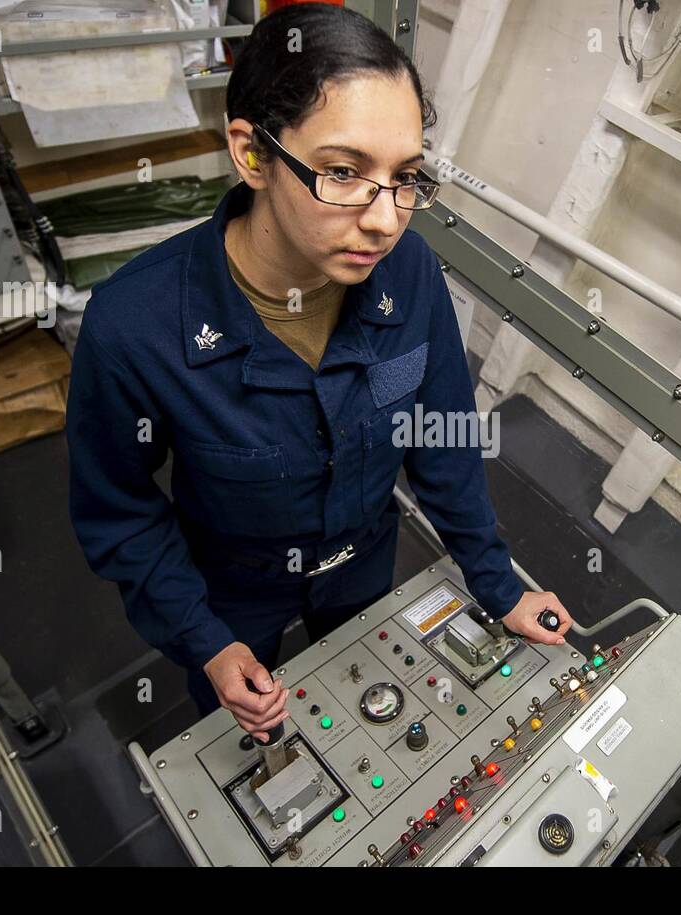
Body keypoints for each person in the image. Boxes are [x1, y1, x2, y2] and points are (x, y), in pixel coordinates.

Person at [66, 3, 572, 740]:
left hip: (364, 560)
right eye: (343, 172)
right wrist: (206, 642)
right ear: (251, 154)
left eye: (406, 178)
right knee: (246, 735)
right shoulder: (133, 327)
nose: (386, 219)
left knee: (370, 709)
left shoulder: (412, 276)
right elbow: (120, 511)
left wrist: (495, 582)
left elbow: (444, 442)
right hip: (229, 588)